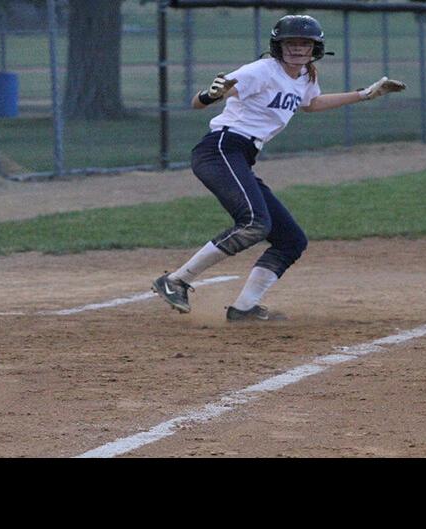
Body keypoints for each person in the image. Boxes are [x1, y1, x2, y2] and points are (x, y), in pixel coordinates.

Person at [151, 14, 406, 322]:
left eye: (304, 43)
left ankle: (244, 309)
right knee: (254, 223)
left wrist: (365, 94)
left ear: (316, 48)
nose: (297, 49)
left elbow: (311, 104)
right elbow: (201, 101)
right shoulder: (261, 71)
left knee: (291, 241)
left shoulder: (305, 77)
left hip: (241, 156)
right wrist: (210, 94)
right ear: (277, 46)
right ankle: (176, 280)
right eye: (290, 43)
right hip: (220, 149)